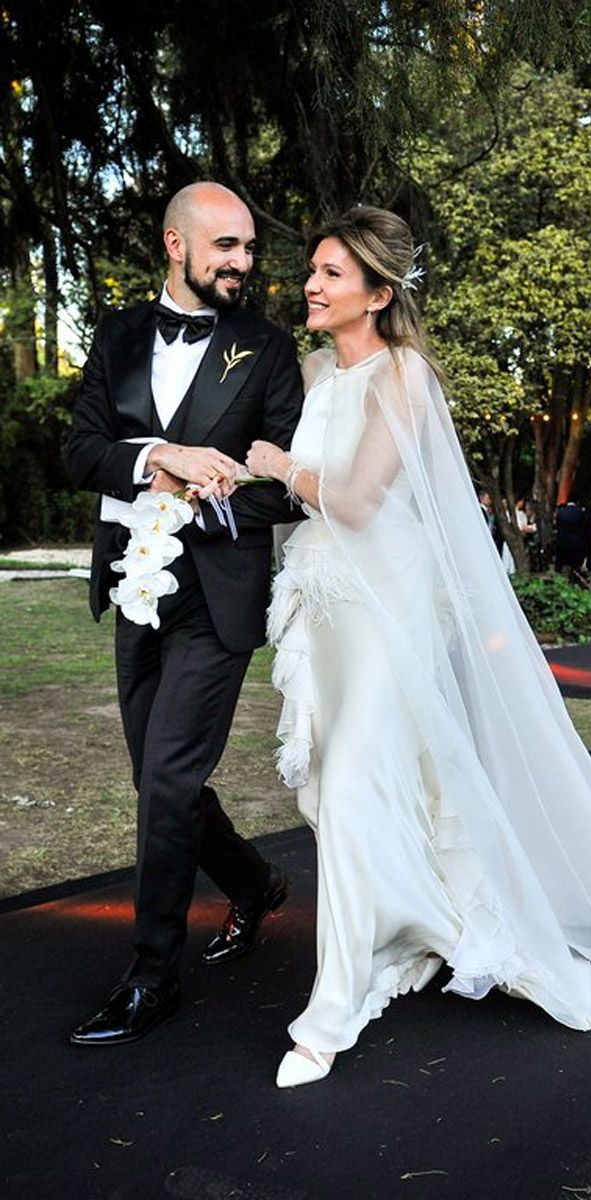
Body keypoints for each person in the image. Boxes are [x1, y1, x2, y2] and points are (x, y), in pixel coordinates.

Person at [244, 206, 591, 1087]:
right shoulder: (313, 369)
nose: (311, 283)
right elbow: (295, 487)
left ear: (379, 294)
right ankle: (419, 924)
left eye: (332, 274)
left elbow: (351, 501)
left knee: (351, 786)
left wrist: (276, 464)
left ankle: (331, 1014)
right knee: (357, 789)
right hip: (326, 610)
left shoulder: (405, 376)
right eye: (311, 268)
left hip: (390, 603)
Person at [64, 182, 304, 1046]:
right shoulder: (120, 336)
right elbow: (80, 450)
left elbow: (291, 486)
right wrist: (159, 456)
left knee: (166, 780)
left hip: (217, 596)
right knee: (157, 781)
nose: (243, 262)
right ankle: (252, 883)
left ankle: (150, 976)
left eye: (248, 248)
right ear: (176, 245)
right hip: (136, 584)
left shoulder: (269, 350)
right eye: (226, 247)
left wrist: (221, 488)